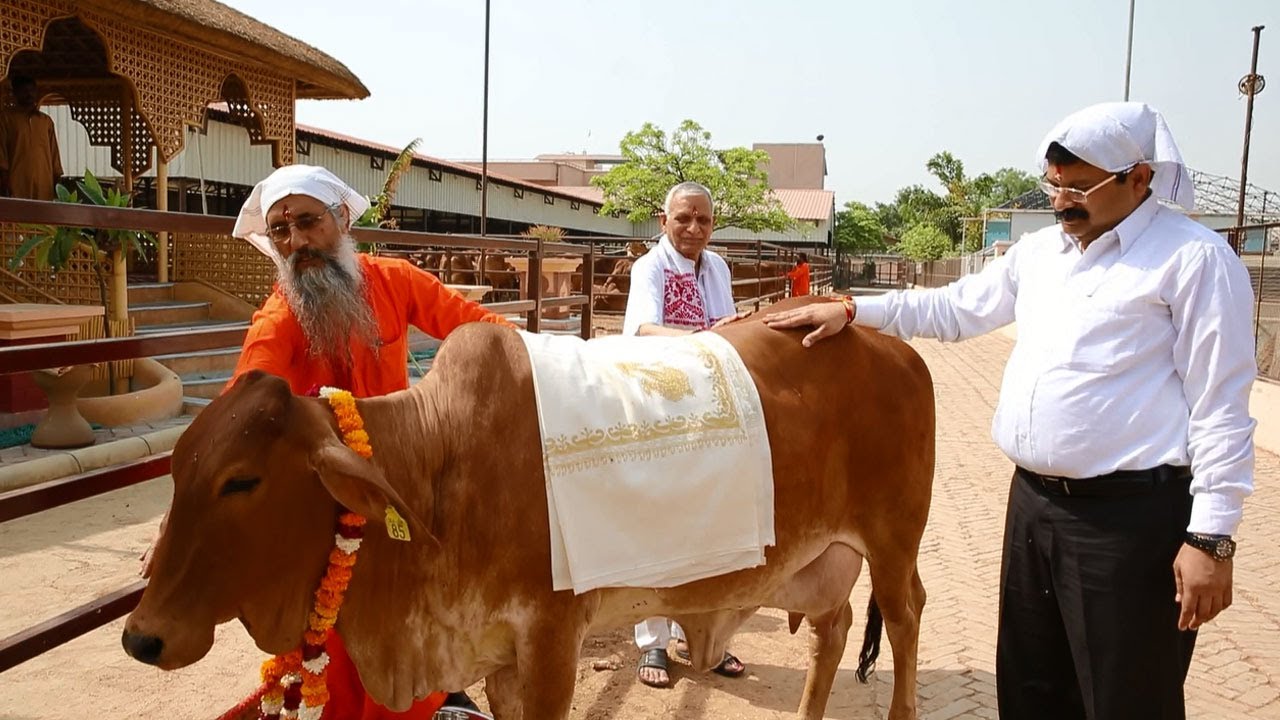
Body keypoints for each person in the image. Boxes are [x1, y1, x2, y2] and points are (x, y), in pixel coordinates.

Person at [765, 102, 1256, 720]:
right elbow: (952, 309)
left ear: (1139, 179)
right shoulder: (1041, 254)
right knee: (1031, 691)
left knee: (1125, 699)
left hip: (1129, 524)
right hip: (1035, 509)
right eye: (1054, 185)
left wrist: (1211, 538)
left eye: (1080, 187)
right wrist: (854, 311)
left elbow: (1222, 408)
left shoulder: (1193, 261)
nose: (1060, 201)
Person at [149, 165, 510, 718]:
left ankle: (437, 696)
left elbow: (482, 330)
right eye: (280, 231)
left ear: (341, 217)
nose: (296, 241)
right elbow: (240, 403)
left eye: (308, 222)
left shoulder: (396, 280)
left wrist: (556, 368)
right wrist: (178, 517)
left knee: (420, 605)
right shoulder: (279, 314)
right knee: (333, 634)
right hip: (323, 499)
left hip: (398, 483)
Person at [622, 181, 749, 688]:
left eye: (703, 220)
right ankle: (652, 642)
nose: (694, 229)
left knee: (708, 524)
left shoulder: (717, 267)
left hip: (708, 409)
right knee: (658, 521)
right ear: (664, 221)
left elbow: (728, 321)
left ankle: (702, 639)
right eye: (684, 219)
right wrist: (706, 339)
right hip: (660, 407)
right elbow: (643, 329)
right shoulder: (649, 268)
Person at [0, 74, 62, 200]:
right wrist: (4, 179)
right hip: (16, 183)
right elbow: (1, 152)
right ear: (15, 93)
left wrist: (57, 177)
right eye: (24, 91)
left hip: (44, 183)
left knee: (42, 216)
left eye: (31, 90)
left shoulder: (46, 121)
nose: (29, 94)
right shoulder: (6, 118)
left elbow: (54, 153)